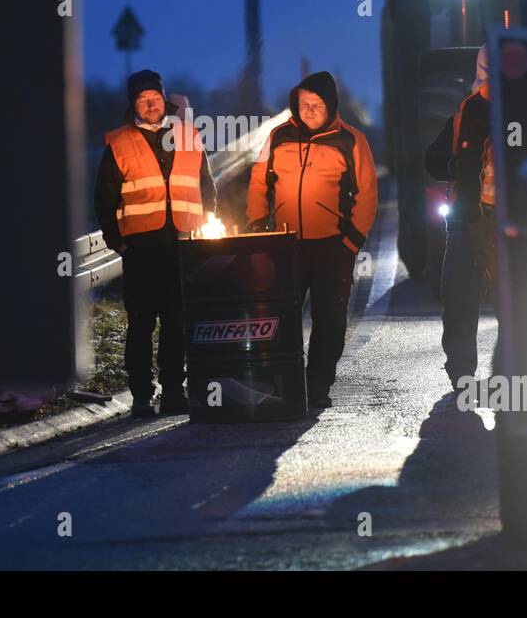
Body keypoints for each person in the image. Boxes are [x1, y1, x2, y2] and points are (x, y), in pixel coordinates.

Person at [246, 71, 378, 409]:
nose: (309, 110)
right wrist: (259, 226)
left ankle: (317, 383)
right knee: (279, 316)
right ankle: (283, 381)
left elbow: (367, 193)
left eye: (316, 105)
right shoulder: (278, 137)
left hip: (333, 246)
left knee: (329, 320)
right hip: (285, 246)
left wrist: (351, 241)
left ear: (330, 106)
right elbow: (260, 183)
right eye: (303, 104)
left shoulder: (351, 140)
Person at [94, 70, 216, 418]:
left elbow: (207, 188)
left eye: (156, 99)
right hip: (141, 251)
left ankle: (175, 392)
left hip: (182, 247)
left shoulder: (189, 137)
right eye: (143, 99)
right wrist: (118, 243)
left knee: (176, 323)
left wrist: (206, 229)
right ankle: (142, 396)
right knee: (141, 324)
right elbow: (103, 199)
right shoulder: (118, 142)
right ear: (133, 104)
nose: (150, 105)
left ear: (165, 102)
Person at [427, 46, 496, 386]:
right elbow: (433, 160)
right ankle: (461, 371)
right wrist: (454, 165)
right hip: (469, 217)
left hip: (506, 218)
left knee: (515, 296)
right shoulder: (463, 116)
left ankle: (515, 372)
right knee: (459, 294)